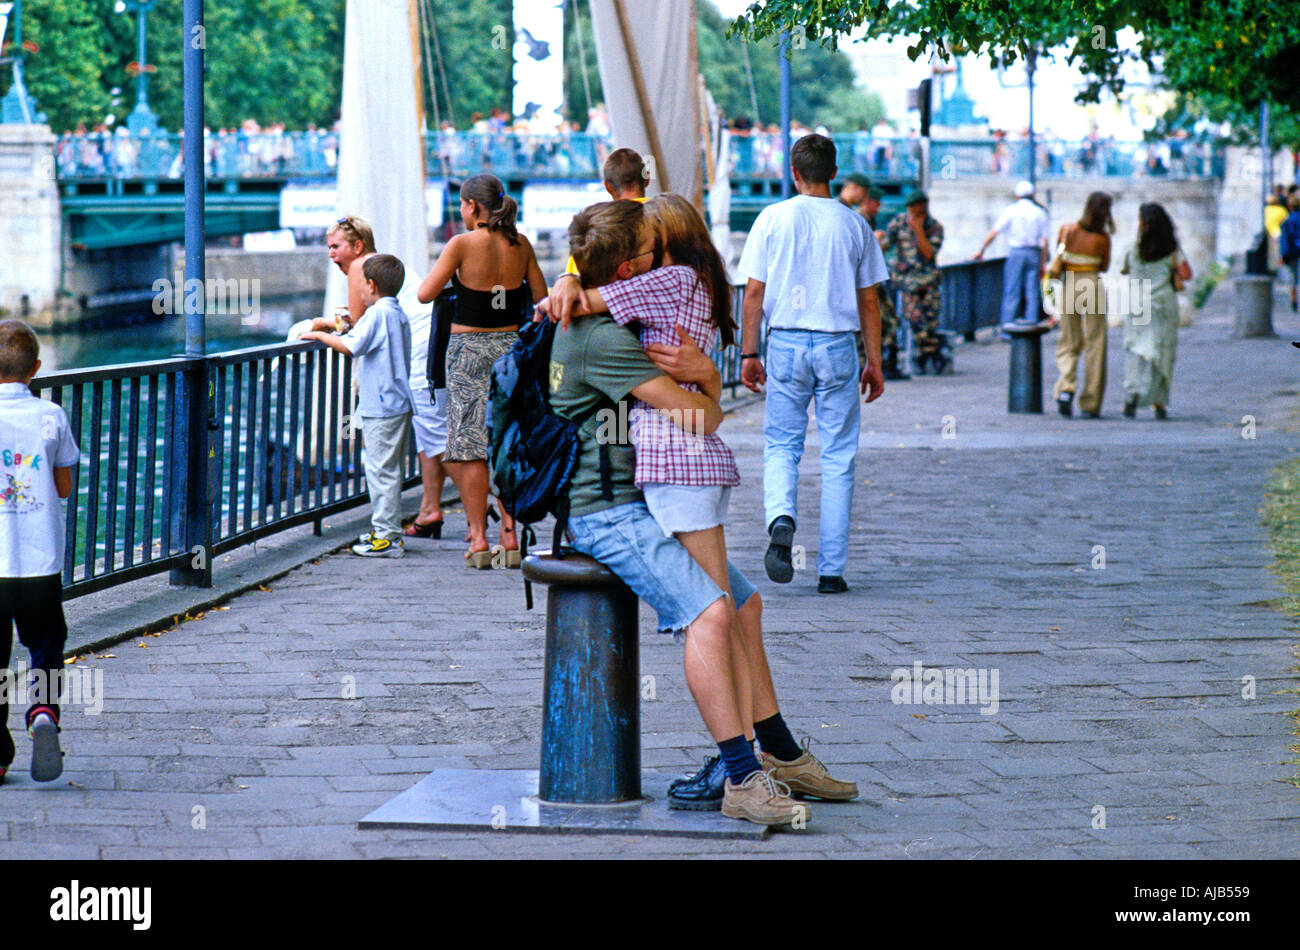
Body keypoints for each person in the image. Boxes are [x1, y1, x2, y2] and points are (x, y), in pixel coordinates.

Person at [551, 200, 855, 824]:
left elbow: (701, 411)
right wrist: (708, 383)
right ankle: (743, 773)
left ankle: (778, 751)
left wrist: (568, 276)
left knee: (743, 605)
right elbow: (702, 418)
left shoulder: (623, 314)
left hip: (638, 491)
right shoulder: (605, 335)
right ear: (632, 263)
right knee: (713, 615)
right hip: (604, 509)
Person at [738, 133, 888, 594]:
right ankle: (831, 571)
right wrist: (875, 362)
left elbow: (755, 294)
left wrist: (748, 352)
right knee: (838, 455)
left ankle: (781, 518)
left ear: (794, 171)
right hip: (838, 345)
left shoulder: (771, 219)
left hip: (784, 343)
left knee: (782, 445)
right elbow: (869, 302)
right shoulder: (854, 225)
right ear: (834, 173)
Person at [417, 174, 546, 568]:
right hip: (509, 351)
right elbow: (541, 299)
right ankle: (510, 533)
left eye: (461, 204)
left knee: (469, 446)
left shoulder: (461, 244)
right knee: (508, 440)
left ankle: (477, 538)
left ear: (472, 207)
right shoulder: (520, 245)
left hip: (468, 351)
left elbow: (424, 293)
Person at [0, 320, 82, 784]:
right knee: (46, 643)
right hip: (39, 561)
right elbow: (64, 487)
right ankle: (43, 711)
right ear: (35, 368)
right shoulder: (50, 415)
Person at [299, 255, 415, 557]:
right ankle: (385, 531)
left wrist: (321, 334)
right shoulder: (397, 312)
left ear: (371, 285)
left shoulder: (378, 314)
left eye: (360, 282)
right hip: (396, 402)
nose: (358, 289)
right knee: (389, 470)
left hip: (382, 404)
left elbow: (352, 346)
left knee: (380, 472)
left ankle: (387, 537)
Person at [1121, 204, 1192, 420]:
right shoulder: (1171, 249)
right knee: (1163, 350)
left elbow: (1125, 269)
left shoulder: (1134, 247)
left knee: (1137, 351)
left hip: (1137, 305)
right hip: (1162, 304)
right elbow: (1186, 274)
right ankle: (1159, 403)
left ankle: (1132, 395)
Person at [1052, 192, 1113, 419]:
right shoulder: (1103, 238)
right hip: (1093, 283)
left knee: (1069, 340)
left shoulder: (1067, 230)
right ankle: (1091, 402)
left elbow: (1060, 259)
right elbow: (1105, 266)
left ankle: (1066, 388)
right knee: (1096, 343)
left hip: (1071, 283)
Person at [878, 189, 945, 374]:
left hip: (929, 281)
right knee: (915, 318)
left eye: (914, 207)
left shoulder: (934, 226)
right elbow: (884, 245)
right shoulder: (898, 223)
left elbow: (929, 254)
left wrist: (918, 230)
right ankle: (926, 353)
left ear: (923, 206)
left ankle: (929, 355)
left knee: (931, 322)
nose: (910, 211)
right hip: (907, 282)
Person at [973, 180, 1049, 328]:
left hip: (1017, 251)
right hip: (1034, 252)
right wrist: (1043, 263)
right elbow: (1045, 241)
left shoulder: (1011, 210)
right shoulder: (1040, 212)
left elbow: (995, 232)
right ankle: (1031, 326)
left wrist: (982, 249)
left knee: (1012, 290)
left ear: (1017, 195)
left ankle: (1007, 327)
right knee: (1032, 291)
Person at [563, 147, 649, 276]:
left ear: (608, 187)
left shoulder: (595, 226)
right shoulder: (671, 213)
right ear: (646, 178)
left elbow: (574, 279)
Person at [861, 187, 907, 380]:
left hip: (874, 282)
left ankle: (884, 363)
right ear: (869, 201)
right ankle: (874, 365)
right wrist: (876, 240)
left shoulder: (866, 220)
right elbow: (863, 253)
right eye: (877, 203)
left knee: (887, 322)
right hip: (868, 284)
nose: (879, 208)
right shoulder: (860, 219)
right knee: (882, 322)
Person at [1279, 193, 1300, 313]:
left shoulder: (1287, 222)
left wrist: (1283, 256)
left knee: (1293, 279)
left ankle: (1294, 302)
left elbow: (1285, 241)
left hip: (1292, 253)